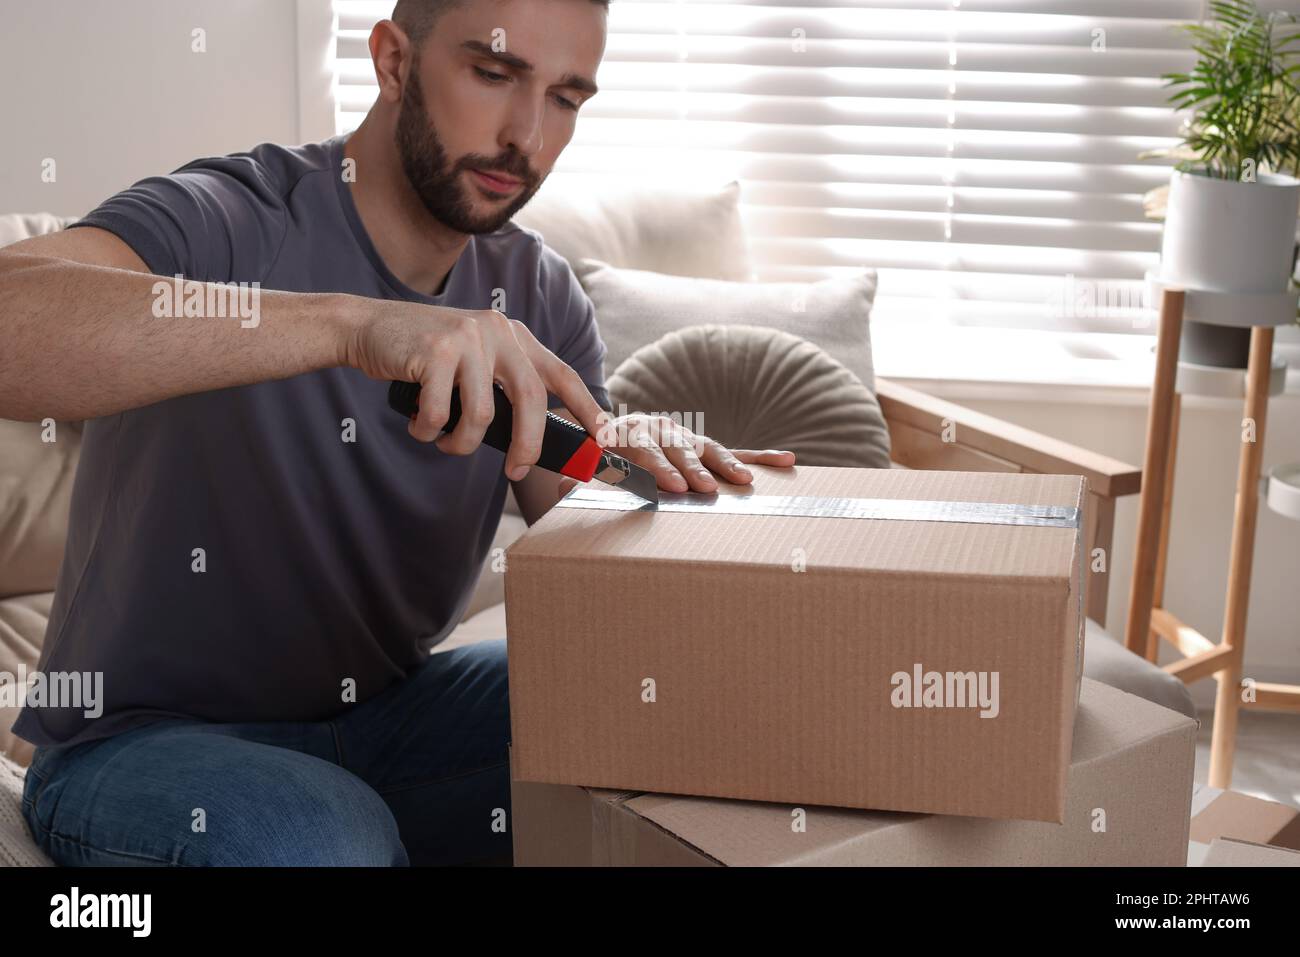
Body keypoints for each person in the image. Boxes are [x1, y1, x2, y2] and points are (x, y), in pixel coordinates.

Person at [0, 0, 795, 865]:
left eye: (566, 98)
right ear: (392, 62)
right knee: (321, 835)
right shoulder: (230, 216)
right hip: (138, 745)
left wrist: (640, 463)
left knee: (685, 712)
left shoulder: (539, 297)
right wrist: (353, 327)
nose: (527, 136)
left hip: (395, 720)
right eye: (494, 74)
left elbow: (578, 510)